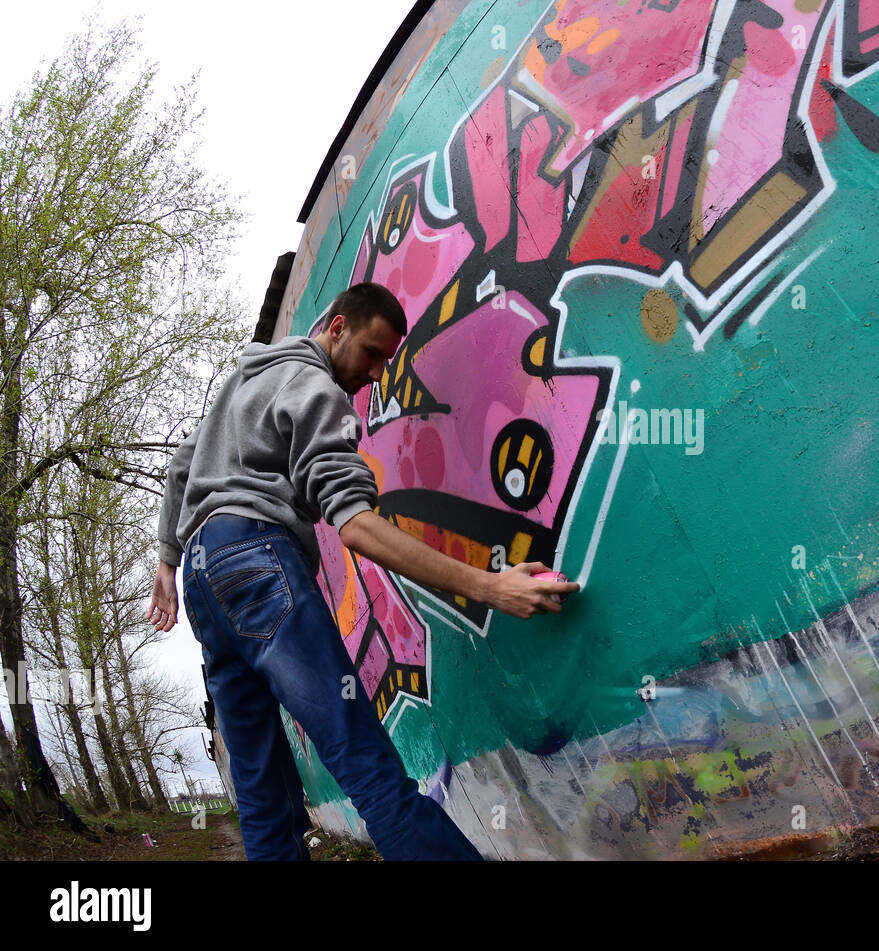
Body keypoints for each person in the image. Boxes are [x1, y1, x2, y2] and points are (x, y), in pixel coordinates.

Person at [146, 281, 578, 861]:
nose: (375, 374)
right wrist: (489, 585)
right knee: (369, 770)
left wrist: (169, 564)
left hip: (205, 585)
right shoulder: (314, 387)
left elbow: (179, 468)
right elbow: (356, 525)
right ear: (336, 326)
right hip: (257, 560)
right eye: (372, 353)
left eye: (387, 361)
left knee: (262, 800)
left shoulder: (243, 383)